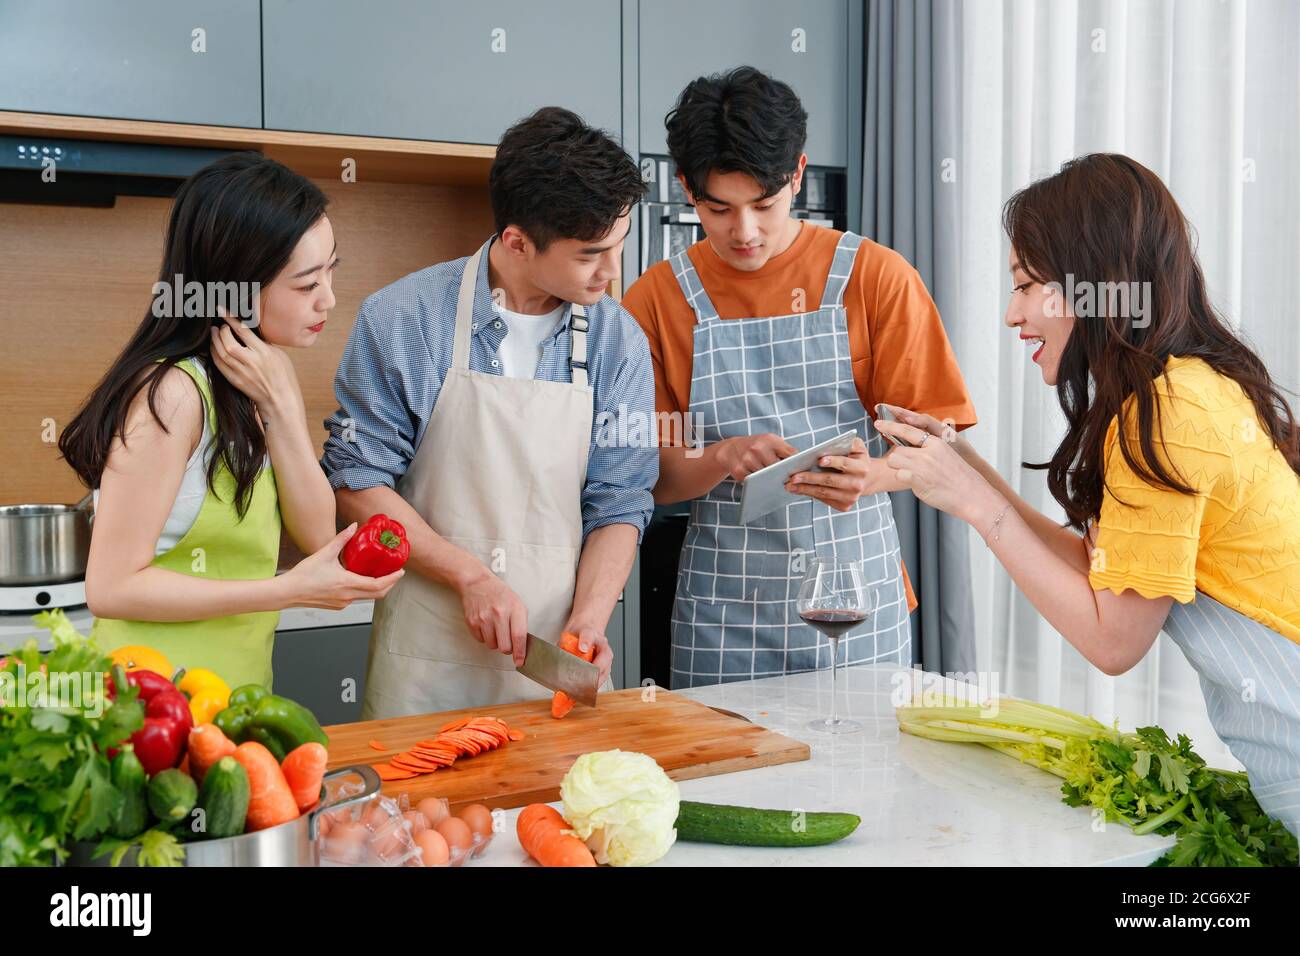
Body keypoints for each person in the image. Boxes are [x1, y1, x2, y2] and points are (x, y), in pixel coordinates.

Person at [879, 153, 1300, 836]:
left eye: (1026, 285)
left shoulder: (1165, 415)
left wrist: (975, 505)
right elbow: (1107, 580)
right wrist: (966, 468)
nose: (1013, 313)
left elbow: (1114, 641)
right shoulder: (1189, 386)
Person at [621, 67, 976, 688]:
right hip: (722, 610)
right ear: (684, 188)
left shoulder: (876, 277)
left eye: (765, 204)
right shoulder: (657, 299)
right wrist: (720, 457)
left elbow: (944, 445)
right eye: (719, 209)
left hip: (854, 593)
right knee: (725, 784)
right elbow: (646, 477)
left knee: (863, 779)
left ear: (798, 173)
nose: (745, 232)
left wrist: (873, 476)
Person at [323, 108, 658, 718]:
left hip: (554, 659)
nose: (613, 273)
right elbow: (356, 481)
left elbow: (621, 501)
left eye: (618, 247)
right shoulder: (403, 318)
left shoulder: (619, 342)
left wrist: (588, 621)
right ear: (517, 242)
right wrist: (469, 577)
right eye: (591, 255)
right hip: (424, 663)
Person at [60, 152, 401, 690]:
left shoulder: (255, 380)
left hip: (235, 701)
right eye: (306, 284)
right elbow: (112, 587)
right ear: (236, 287)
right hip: (147, 708)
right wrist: (284, 591)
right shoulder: (171, 394)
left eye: (331, 271)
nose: (329, 300)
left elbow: (318, 539)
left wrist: (285, 409)